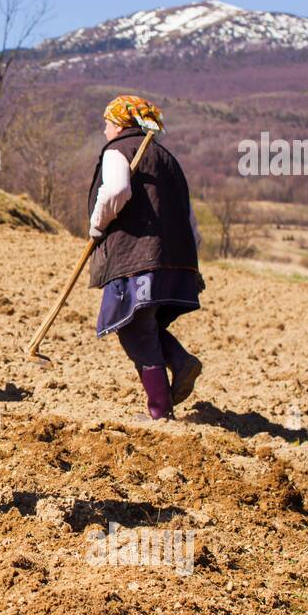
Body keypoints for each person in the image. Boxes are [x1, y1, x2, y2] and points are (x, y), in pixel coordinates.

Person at [87, 95, 204, 420]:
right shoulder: (166, 157)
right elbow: (188, 215)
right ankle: (180, 362)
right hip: (176, 258)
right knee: (144, 324)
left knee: (135, 327)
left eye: (108, 122)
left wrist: (97, 225)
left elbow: (116, 191)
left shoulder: (118, 150)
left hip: (137, 258)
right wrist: (192, 255)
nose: (105, 128)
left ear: (121, 124)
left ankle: (160, 411)